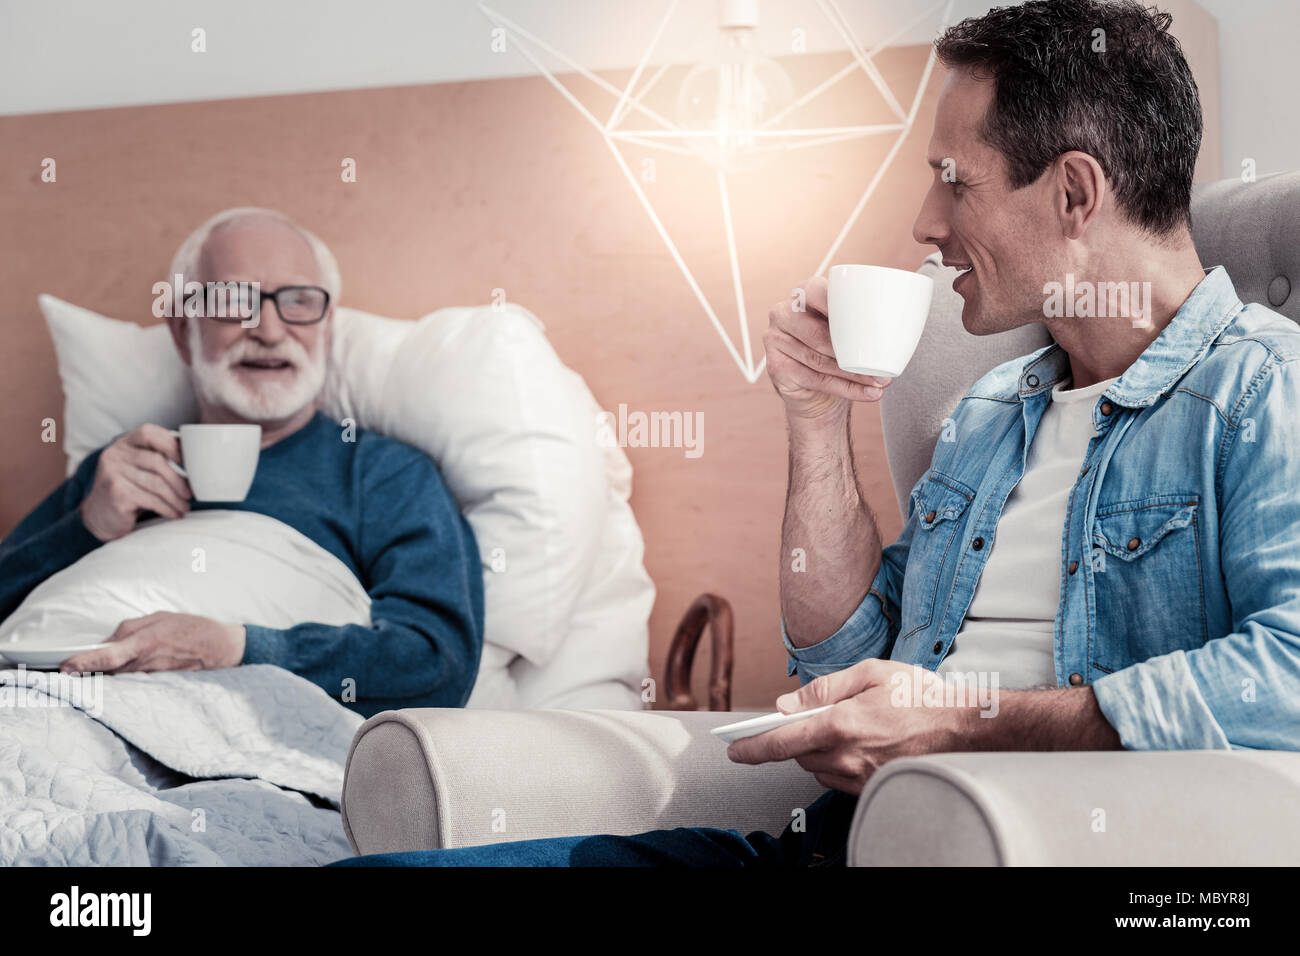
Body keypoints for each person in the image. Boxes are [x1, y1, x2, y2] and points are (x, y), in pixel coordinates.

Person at [334, 0, 1300, 865]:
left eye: (953, 181)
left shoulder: (1264, 389)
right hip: (829, 844)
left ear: (1075, 193)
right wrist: (814, 418)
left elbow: (1287, 676)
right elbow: (841, 665)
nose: (924, 221)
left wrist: (960, 724)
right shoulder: (995, 411)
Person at [0, 208, 485, 717]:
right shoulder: (123, 468)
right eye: (234, 301)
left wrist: (235, 649)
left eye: (298, 302)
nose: (270, 330)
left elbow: (438, 665)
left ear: (326, 328)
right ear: (181, 330)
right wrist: (85, 527)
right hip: (44, 711)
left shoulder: (386, 475)